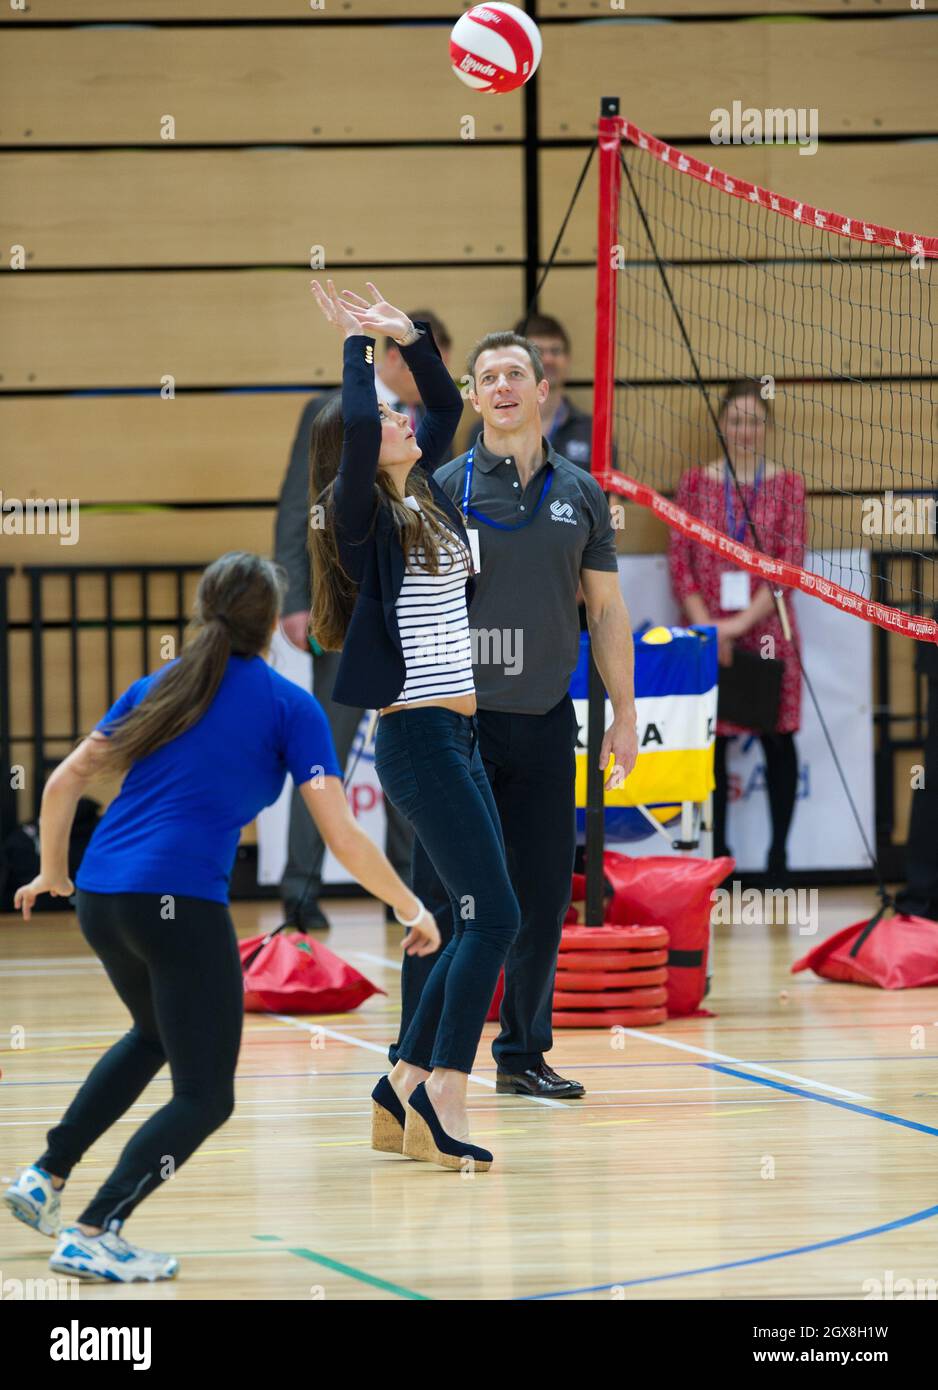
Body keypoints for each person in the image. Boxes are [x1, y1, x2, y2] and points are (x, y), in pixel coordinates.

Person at [3, 551, 439, 1283]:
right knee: (207, 1097)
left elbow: (65, 778)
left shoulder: (160, 685)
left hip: (102, 897)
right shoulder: (289, 705)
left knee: (152, 1035)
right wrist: (408, 904)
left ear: (205, 612)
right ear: (271, 624)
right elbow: (342, 835)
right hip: (177, 903)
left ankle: (46, 1173)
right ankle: (94, 1229)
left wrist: (54, 871)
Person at [308, 280, 520, 1171]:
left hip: (457, 739)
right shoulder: (362, 517)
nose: (403, 421)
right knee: (495, 918)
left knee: (467, 913)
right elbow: (364, 429)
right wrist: (359, 350)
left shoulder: (426, 486)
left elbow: (440, 399)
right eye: (387, 419)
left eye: (401, 420)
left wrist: (407, 334)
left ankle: (397, 1090)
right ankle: (434, 1090)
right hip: (419, 740)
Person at [395, 330, 639, 1100]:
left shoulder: (582, 492)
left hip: (543, 721)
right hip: (452, 729)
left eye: (515, 374)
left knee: (539, 899)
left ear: (542, 390)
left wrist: (624, 714)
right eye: (487, 377)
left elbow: (604, 611)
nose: (502, 386)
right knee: (447, 906)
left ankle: (523, 1055)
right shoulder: (440, 486)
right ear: (472, 397)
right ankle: (415, 1063)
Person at [274, 312, 454, 930]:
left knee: (408, 756)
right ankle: (299, 892)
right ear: (390, 360)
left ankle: (404, 893)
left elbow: (445, 413)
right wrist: (297, 597)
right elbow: (297, 507)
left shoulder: (412, 433)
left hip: (418, 629)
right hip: (349, 612)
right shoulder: (333, 414)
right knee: (325, 752)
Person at [668, 381, 806, 884]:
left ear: (766, 428)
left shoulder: (787, 485)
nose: (744, 430)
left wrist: (739, 625)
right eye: (735, 420)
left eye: (754, 421)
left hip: (767, 630)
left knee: (779, 738)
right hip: (707, 634)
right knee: (713, 745)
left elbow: (789, 568)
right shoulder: (694, 484)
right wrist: (711, 629)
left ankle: (778, 860)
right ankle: (718, 858)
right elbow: (679, 562)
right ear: (721, 425)